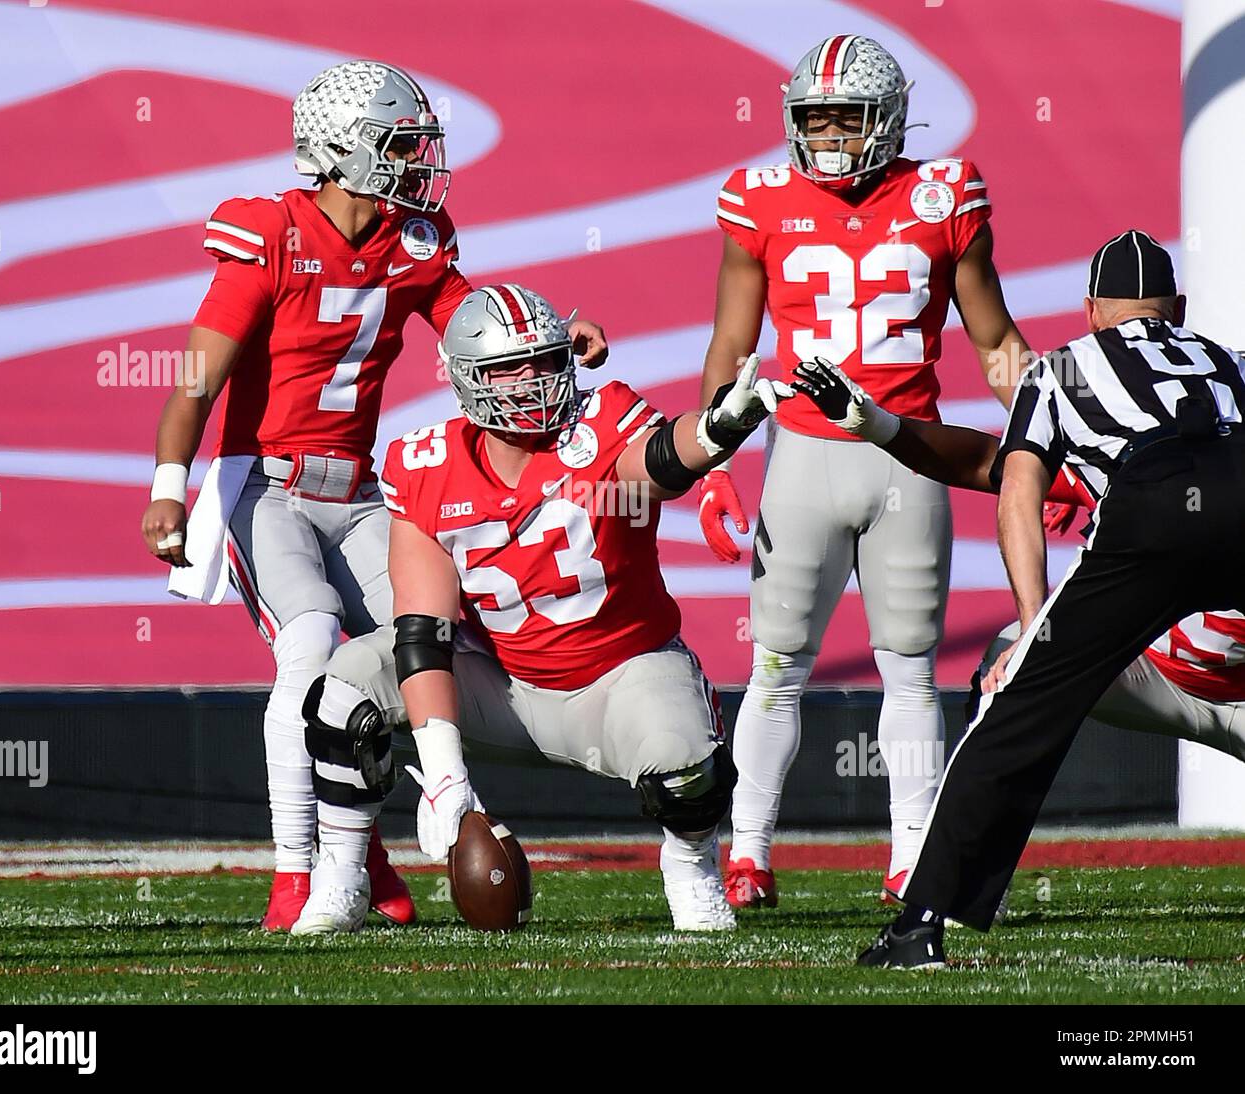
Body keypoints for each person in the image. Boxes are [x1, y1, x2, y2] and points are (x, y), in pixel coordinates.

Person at [139, 62, 606, 933]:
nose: (418, 161)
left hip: (357, 493)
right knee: (312, 644)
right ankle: (295, 875)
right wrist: (170, 486)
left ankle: (396, 834)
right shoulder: (271, 233)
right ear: (340, 150)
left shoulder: (411, 239)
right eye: (399, 144)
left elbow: (476, 324)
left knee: (419, 644)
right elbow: (198, 378)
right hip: (266, 485)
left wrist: (550, 338)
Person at [301, 283, 812, 932]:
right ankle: (341, 876)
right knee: (346, 685)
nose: (537, 378)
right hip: (500, 683)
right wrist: (444, 776)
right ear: (470, 380)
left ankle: (691, 868)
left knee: (690, 772)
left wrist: (718, 427)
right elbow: (422, 634)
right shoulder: (426, 464)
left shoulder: (599, 423)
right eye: (514, 367)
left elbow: (660, 461)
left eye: (545, 359)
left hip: (618, 681)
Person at [828, 229, 1245, 967]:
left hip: (1151, 506)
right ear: (1177, 309)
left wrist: (1032, 624)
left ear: (1089, 311)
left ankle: (920, 924)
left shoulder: (1063, 367)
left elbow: (1013, 481)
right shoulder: (1229, 361)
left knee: (1014, 711)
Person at [698, 34, 1032, 908]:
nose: (832, 135)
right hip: (801, 453)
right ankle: (749, 853)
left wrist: (1046, 438)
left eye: (848, 117)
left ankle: (912, 855)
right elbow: (733, 345)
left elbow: (994, 342)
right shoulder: (758, 199)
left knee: (912, 668)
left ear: (887, 118)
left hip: (905, 454)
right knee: (776, 666)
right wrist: (712, 460)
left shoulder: (943, 195)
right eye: (815, 119)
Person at [795, 356, 1245, 765]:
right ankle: (963, 833)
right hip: (1149, 675)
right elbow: (985, 461)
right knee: (1010, 663)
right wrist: (878, 426)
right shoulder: (1133, 465)